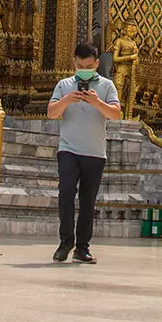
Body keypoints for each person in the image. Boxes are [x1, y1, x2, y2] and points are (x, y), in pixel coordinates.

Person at [47, 41, 121, 263]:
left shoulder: (107, 86)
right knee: (66, 193)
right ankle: (65, 241)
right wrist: (68, 99)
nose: (84, 69)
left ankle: (82, 247)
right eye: (80, 66)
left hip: (95, 152)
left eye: (88, 65)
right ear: (74, 64)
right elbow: (51, 113)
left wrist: (98, 103)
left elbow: (116, 114)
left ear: (96, 64)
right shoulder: (64, 84)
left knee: (88, 201)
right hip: (68, 149)